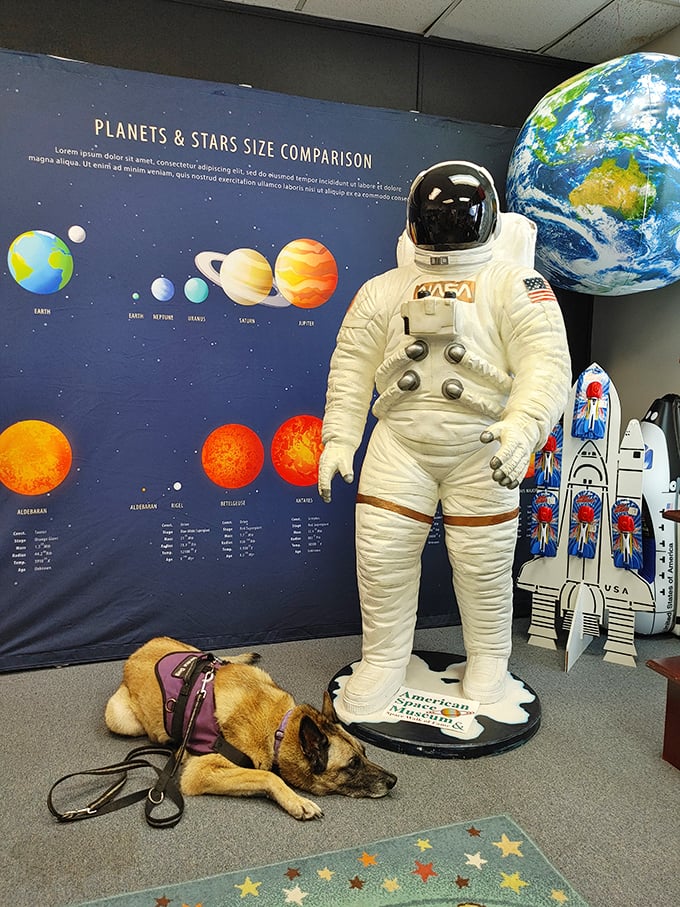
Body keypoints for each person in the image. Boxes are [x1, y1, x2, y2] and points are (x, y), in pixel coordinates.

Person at [318, 161, 571, 721]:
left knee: (483, 566)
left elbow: (547, 365)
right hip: (400, 445)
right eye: (436, 218)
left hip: (484, 447)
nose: (446, 228)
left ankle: (488, 660)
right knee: (382, 558)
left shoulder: (516, 285)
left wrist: (523, 426)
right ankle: (383, 661)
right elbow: (352, 366)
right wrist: (340, 437)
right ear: (415, 224)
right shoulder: (383, 291)